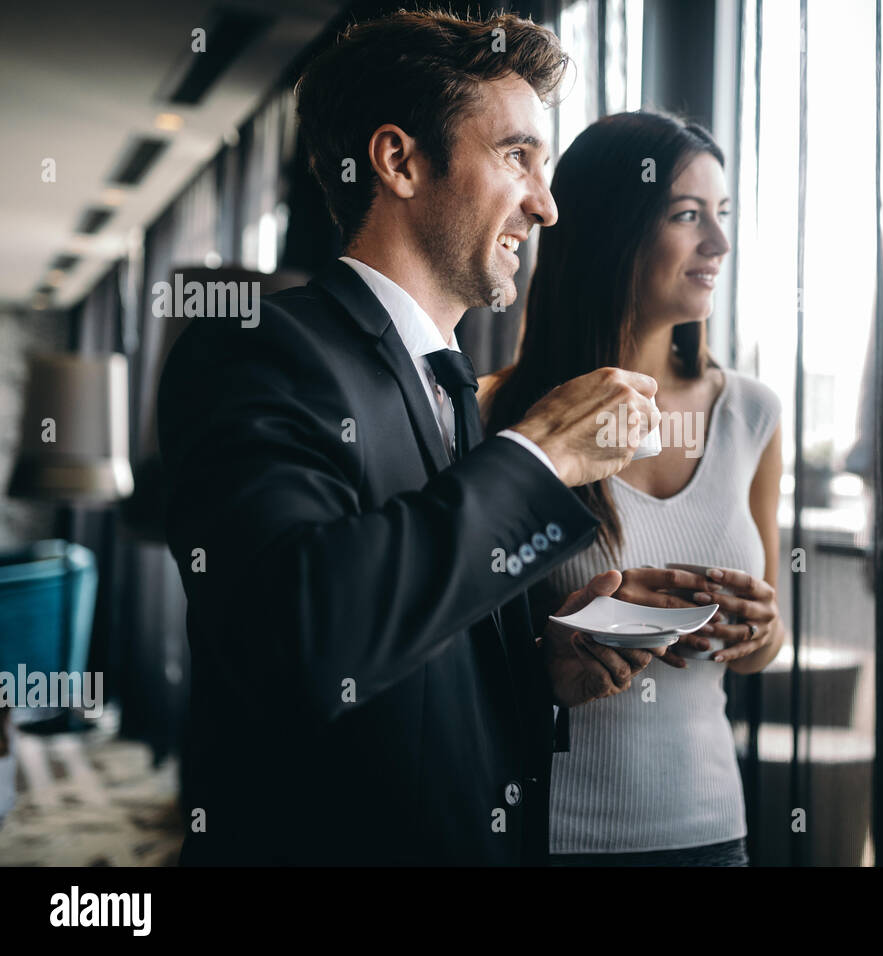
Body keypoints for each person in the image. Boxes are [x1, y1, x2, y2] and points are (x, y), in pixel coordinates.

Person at [157, 10, 666, 866]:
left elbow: (414, 620)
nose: (546, 204)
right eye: (518, 157)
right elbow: (307, 630)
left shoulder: (452, 389)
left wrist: (539, 663)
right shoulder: (255, 349)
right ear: (398, 161)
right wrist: (540, 457)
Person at [483, 111, 786, 866]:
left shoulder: (752, 412)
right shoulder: (499, 416)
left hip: (710, 830)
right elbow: (463, 657)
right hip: (552, 835)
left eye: (722, 216)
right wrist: (556, 649)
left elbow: (765, 646)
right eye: (688, 216)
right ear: (612, 230)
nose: (718, 244)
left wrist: (760, 632)